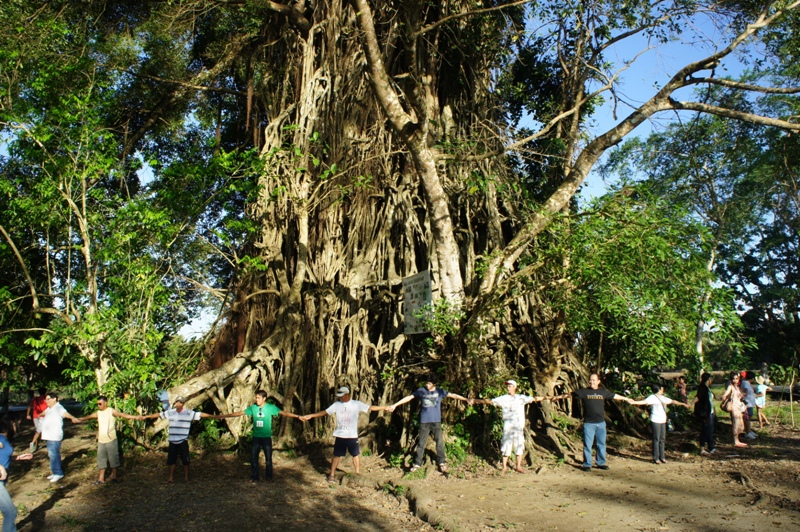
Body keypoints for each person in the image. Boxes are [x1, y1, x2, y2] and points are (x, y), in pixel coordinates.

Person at [300, 386, 390, 482]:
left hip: (352, 436)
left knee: (355, 454)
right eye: (339, 396)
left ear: (347, 395)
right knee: (337, 455)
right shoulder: (337, 405)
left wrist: (385, 407)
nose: (340, 398)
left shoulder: (356, 404)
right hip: (340, 435)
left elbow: (370, 408)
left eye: (342, 396)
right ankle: (332, 475)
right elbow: (325, 412)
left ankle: (357, 474)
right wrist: (311, 416)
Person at [388, 377, 472, 474]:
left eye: (429, 383)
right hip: (424, 421)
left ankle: (441, 462)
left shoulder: (440, 392)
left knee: (439, 442)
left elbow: (453, 395)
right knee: (421, 443)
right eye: (426, 383)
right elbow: (409, 397)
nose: (427, 385)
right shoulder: (421, 391)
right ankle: (417, 463)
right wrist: (395, 405)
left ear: (434, 384)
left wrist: (466, 399)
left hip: (436, 421)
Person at [475, 380, 559, 473]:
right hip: (508, 426)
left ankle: (518, 466)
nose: (508, 387)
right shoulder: (503, 398)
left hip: (518, 426)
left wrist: (547, 398)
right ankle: (504, 467)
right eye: (507, 386)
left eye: (510, 386)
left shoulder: (520, 398)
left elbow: (534, 398)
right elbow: (489, 401)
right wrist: (475, 400)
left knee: (519, 445)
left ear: (514, 387)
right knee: (506, 446)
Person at [219, 390, 300, 482]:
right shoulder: (253, 408)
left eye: (258, 398)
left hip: (266, 438)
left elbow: (283, 413)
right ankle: (254, 476)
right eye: (256, 397)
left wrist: (297, 416)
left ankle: (269, 477)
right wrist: (226, 415)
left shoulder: (270, 408)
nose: (256, 399)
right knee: (254, 458)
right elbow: (240, 413)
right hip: (256, 438)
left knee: (268, 459)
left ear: (264, 398)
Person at [141, 396, 220, 483]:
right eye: (177, 402)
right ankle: (171, 477)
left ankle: (186, 477)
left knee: (185, 460)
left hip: (183, 440)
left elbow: (200, 414)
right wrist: (146, 417)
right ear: (175, 404)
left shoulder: (188, 413)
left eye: (180, 402)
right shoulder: (171, 412)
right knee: (172, 460)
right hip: (172, 440)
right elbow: (159, 414)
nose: (178, 404)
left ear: (183, 404)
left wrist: (214, 416)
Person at [572, 373, 633, 471]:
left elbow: (614, 396)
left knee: (601, 444)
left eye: (594, 380)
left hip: (601, 423)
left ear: (598, 382)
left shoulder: (603, 392)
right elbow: (570, 394)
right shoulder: (584, 391)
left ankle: (601, 463)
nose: (592, 382)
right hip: (589, 423)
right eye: (590, 380)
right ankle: (587, 464)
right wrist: (552, 398)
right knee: (588, 445)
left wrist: (625, 398)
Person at [77, 396, 142, 484]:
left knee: (113, 459)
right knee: (101, 460)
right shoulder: (98, 413)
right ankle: (101, 479)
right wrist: (80, 419)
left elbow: (123, 415)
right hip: (101, 441)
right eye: (97, 404)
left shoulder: (111, 411)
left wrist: (135, 417)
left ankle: (114, 478)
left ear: (105, 403)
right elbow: (89, 416)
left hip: (111, 440)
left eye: (100, 404)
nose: (98, 405)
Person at [629, 384, 691, 464]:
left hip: (663, 421)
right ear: (659, 389)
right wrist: (634, 402)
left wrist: (683, 404)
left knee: (662, 439)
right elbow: (644, 402)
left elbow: (673, 401)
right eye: (662, 388)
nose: (663, 389)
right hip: (655, 420)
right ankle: (656, 458)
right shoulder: (652, 397)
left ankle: (662, 457)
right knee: (656, 439)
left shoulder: (663, 398)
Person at [40, 392, 81, 483]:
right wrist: (39, 415)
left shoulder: (58, 408)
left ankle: (58, 473)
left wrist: (73, 418)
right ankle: (55, 472)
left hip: (54, 436)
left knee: (54, 454)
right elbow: (44, 412)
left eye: (48, 399)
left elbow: (65, 413)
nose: (46, 401)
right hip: (49, 436)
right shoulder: (50, 408)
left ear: (54, 399)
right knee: (51, 455)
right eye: (45, 399)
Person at [0, 421, 33, 532]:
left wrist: (18, 457)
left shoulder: (3, 438)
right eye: (17, 423)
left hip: (2, 481)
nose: (18, 426)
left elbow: (3, 454)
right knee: (10, 512)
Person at [721, 372, 747, 448]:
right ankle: (735, 440)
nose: (735, 380)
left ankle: (737, 439)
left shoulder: (737, 387)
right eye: (733, 378)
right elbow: (725, 395)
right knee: (735, 423)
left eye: (736, 378)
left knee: (740, 424)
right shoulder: (730, 387)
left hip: (739, 407)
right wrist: (727, 397)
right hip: (734, 407)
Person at [693, 372, 716, 455]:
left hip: (711, 412)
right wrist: (690, 404)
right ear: (708, 379)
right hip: (705, 413)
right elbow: (698, 397)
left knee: (710, 430)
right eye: (711, 379)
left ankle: (711, 447)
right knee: (705, 430)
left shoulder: (708, 388)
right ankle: (702, 448)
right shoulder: (703, 388)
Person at [25, 388, 47, 452]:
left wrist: (28, 414)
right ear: (45, 392)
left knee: (37, 430)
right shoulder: (47, 399)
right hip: (43, 416)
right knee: (39, 431)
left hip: (35, 416)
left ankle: (36, 445)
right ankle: (33, 443)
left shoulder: (35, 399)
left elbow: (29, 406)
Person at [739, 371, 758, 440]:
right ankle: (748, 432)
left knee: (749, 417)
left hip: (750, 403)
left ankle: (749, 430)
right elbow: (745, 392)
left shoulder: (746, 383)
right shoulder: (746, 383)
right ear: (752, 378)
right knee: (747, 418)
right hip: (747, 403)